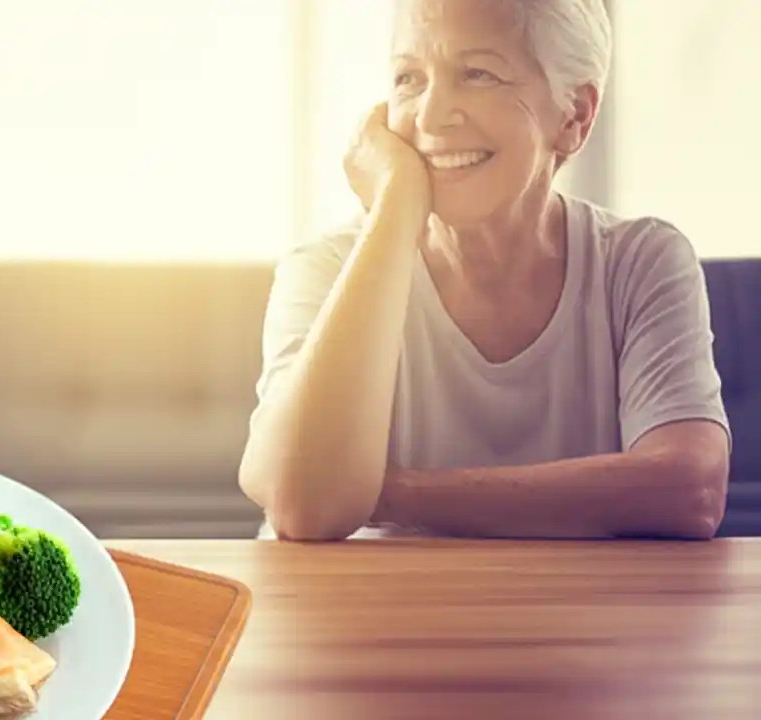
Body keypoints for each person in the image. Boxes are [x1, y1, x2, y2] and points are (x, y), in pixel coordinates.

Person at [239, 0, 732, 541]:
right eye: (409, 78)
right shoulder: (323, 269)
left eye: (477, 74)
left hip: (572, 599)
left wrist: (387, 494)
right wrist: (396, 204)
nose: (430, 116)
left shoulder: (641, 262)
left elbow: (690, 490)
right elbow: (303, 506)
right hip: (357, 600)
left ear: (574, 116)